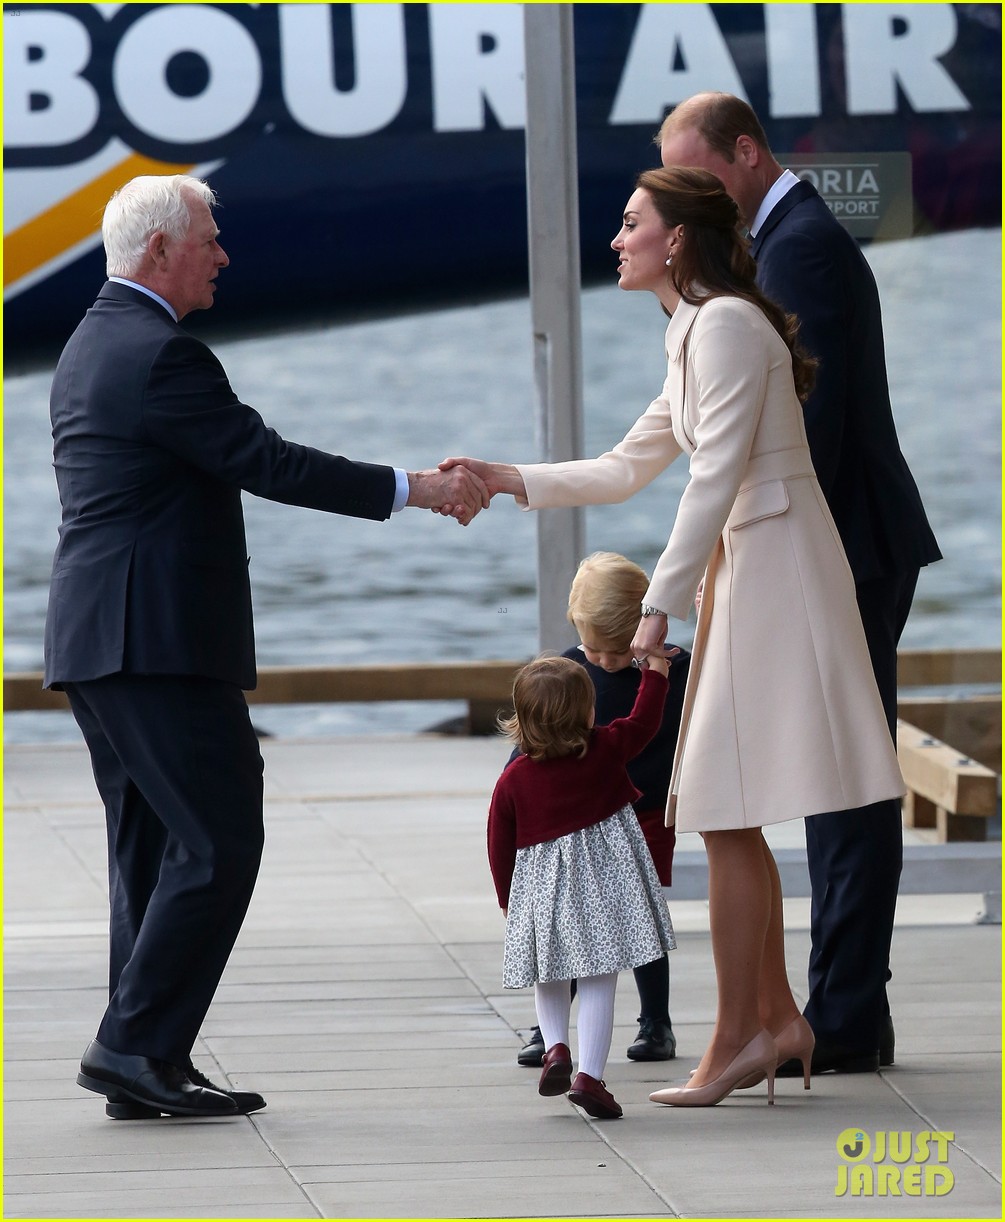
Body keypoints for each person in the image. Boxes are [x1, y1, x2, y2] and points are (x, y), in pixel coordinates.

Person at [444, 164, 906, 1107]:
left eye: (629, 223)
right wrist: (503, 476)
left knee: (722, 805)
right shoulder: (693, 330)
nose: (615, 240)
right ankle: (768, 1023)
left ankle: (750, 1032)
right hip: (750, 565)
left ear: (678, 240)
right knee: (725, 809)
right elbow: (624, 468)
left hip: (772, 563)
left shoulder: (727, 326)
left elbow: (716, 474)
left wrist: (658, 604)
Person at [44, 173, 489, 1121]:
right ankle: (131, 1047)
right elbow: (266, 461)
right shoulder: (163, 356)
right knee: (219, 841)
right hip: (154, 644)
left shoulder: (89, 342)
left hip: (101, 641)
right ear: (160, 250)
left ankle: (144, 1059)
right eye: (210, 238)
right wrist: (416, 487)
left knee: (152, 853)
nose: (225, 254)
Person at [657, 93, 942, 1076]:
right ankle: (838, 1011)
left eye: (704, 176)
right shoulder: (785, 246)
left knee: (849, 791)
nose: (697, 200)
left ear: (747, 153)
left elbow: (804, 427)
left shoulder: (801, 248)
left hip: (846, 547)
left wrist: (765, 557)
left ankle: (846, 1017)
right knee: (838, 785)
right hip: (841, 543)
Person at [516, 552, 689, 1067]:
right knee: (568, 915)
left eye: (618, 652)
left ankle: (656, 1023)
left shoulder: (673, 671)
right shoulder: (568, 672)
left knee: (645, 916)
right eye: (594, 649)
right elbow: (533, 743)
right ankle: (550, 1031)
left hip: (649, 808)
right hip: (579, 821)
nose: (606, 662)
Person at [488, 654, 677, 1120]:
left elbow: (499, 844)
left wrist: (510, 902)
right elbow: (645, 722)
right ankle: (590, 1076)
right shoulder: (606, 748)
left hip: (543, 897)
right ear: (587, 712)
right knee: (598, 981)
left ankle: (555, 1049)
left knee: (549, 975)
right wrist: (655, 673)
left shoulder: (514, 779)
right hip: (604, 895)